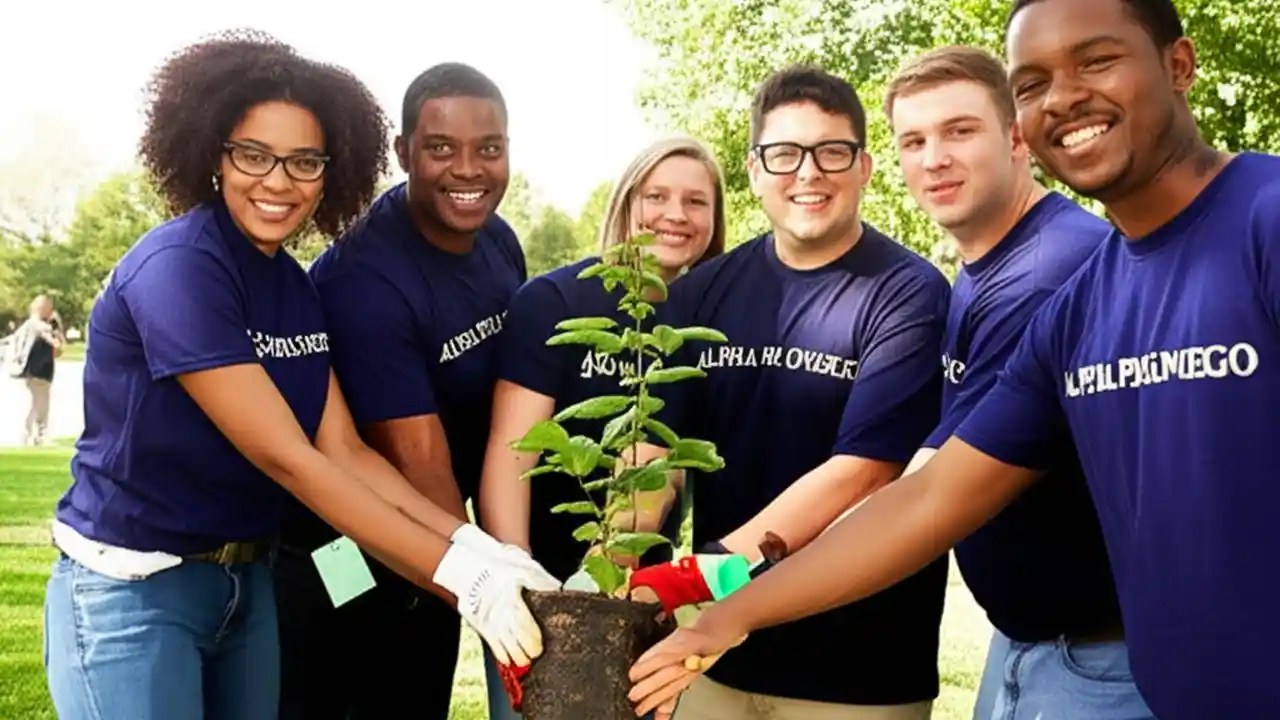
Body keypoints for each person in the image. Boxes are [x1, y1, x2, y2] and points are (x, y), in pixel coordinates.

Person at [627, 0, 1280, 718]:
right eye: (1032, 83)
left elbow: (890, 475)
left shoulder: (1256, 224)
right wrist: (726, 611)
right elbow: (933, 497)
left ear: (1179, 65)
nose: (1063, 98)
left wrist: (711, 584)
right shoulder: (1083, 301)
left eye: (1096, 60)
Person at [42, 31, 557, 720]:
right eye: (254, 155)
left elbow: (342, 449)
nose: (280, 180)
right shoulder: (181, 269)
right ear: (212, 155)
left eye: (305, 161)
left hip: (243, 582)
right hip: (136, 587)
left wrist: (476, 550)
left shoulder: (291, 284)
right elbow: (290, 458)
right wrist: (465, 578)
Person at [636, 65, 953, 720]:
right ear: (754, 171)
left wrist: (703, 573)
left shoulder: (909, 293)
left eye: (831, 151)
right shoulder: (701, 294)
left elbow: (864, 471)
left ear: (864, 167)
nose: (808, 173)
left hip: (861, 673)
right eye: (783, 154)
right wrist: (612, 558)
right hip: (709, 659)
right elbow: (654, 452)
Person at [883, 45, 1150, 719]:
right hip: (1028, 643)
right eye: (913, 140)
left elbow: (930, 488)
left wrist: (732, 581)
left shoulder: (1050, 269)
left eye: (959, 130)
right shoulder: (983, 266)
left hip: (1101, 660)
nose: (933, 158)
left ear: (1016, 136)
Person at [272, 62, 533, 720]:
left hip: (442, 542)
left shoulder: (497, 242)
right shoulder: (366, 282)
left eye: (490, 149)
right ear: (404, 153)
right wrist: (494, 581)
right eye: (441, 148)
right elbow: (419, 460)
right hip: (341, 556)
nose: (469, 170)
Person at [477, 135, 728, 717]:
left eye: (696, 201)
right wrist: (519, 578)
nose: (675, 214)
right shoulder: (556, 301)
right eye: (657, 195)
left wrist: (609, 577)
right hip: (536, 595)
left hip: (637, 601)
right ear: (625, 202)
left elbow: (656, 469)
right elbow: (512, 452)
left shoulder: (699, 322)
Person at [3, 294, 64, 445]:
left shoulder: (42, 324)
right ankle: (38, 434)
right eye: (49, 307)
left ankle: (30, 434)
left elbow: (58, 347)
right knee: (40, 404)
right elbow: (54, 341)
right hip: (35, 370)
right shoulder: (36, 324)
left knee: (38, 403)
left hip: (43, 370)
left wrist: (56, 327)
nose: (51, 310)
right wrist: (56, 327)